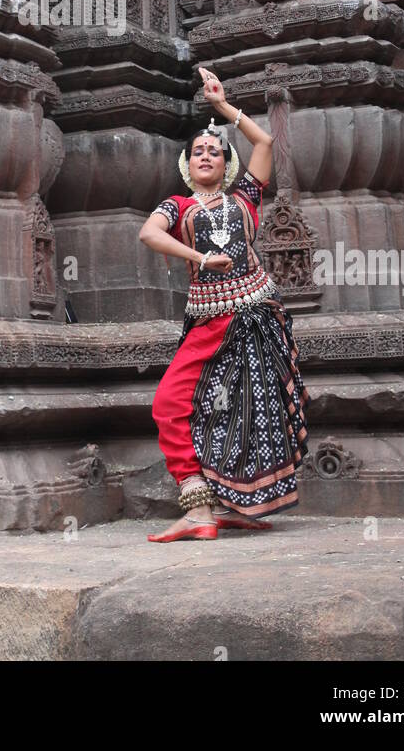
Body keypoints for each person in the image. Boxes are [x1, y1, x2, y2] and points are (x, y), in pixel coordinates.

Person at [139, 65, 309, 541]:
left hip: (252, 316)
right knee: (171, 404)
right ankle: (199, 505)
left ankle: (220, 506)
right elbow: (148, 233)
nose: (207, 155)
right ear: (187, 165)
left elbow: (266, 144)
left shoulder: (247, 198)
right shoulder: (178, 206)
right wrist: (198, 256)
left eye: (215, 151)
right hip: (208, 324)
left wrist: (221, 106)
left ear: (226, 164)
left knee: (239, 408)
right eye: (198, 152)